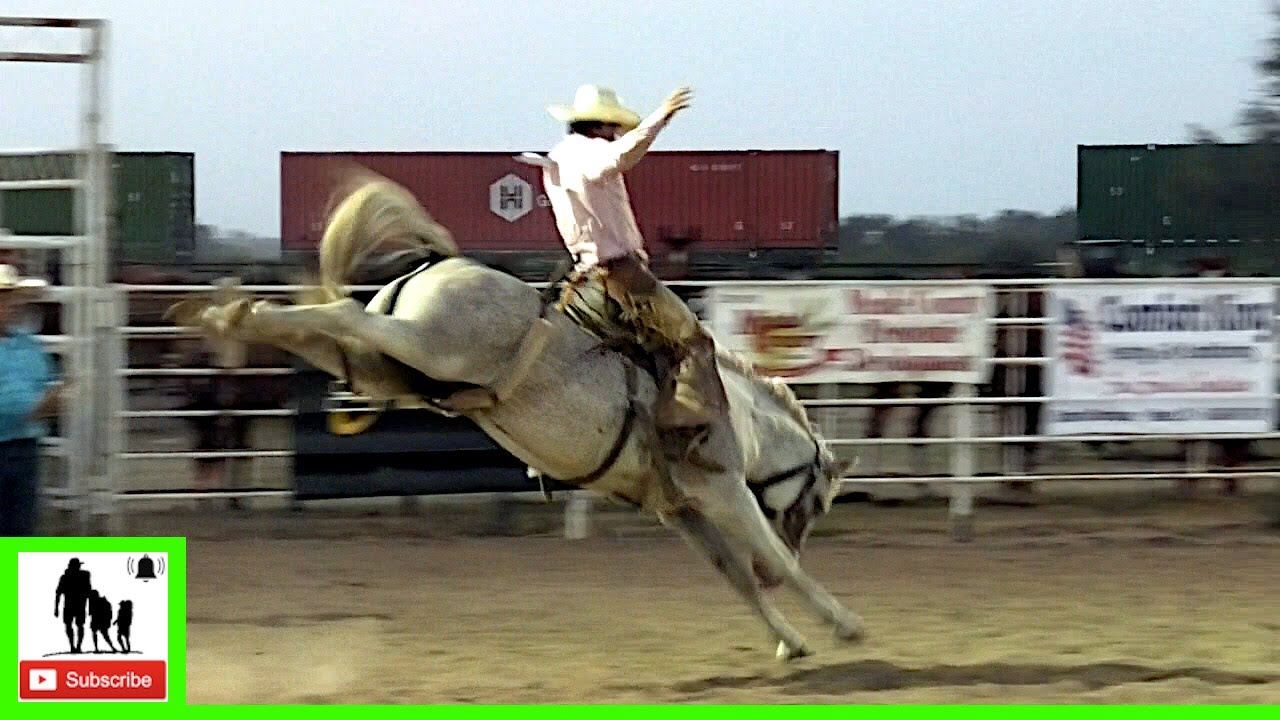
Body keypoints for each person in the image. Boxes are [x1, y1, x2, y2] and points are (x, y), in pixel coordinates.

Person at [521, 84, 729, 462]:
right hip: (622, 274)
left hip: (583, 273)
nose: (616, 131)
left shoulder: (557, 158)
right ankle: (680, 435)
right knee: (695, 341)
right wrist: (660, 117)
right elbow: (619, 157)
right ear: (600, 125)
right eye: (613, 124)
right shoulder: (593, 154)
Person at [0, 263, 61, 536]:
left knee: (21, 525)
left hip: (24, 446)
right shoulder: (28, 345)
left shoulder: (28, 345)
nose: (11, 305)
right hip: (15, 441)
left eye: (11, 297)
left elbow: (46, 382)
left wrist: (52, 400)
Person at [54, 557, 91, 653]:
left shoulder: (66, 577)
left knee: (73, 625)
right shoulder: (84, 575)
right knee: (77, 625)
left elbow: (58, 593)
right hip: (78, 605)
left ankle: (75, 646)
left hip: (72, 605)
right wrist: (56, 608)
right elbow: (88, 591)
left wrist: (56, 608)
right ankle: (75, 646)